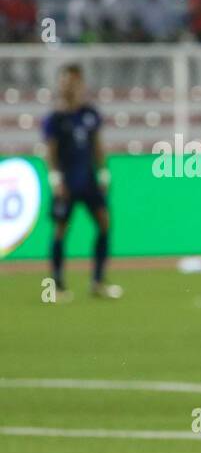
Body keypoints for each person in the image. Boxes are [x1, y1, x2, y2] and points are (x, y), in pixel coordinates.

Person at [43, 64, 121, 300]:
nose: (70, 85)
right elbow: (50, 152)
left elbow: (98, 146)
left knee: (104, 223)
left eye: (75, 81)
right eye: (66, 81)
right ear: (60, 84)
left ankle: (97, 281)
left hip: (88, 179)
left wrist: (104, 173)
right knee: (60, 230)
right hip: (67, 182)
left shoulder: (90, 114)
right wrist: (55, 179)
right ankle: (56, 285)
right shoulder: (55, 118)